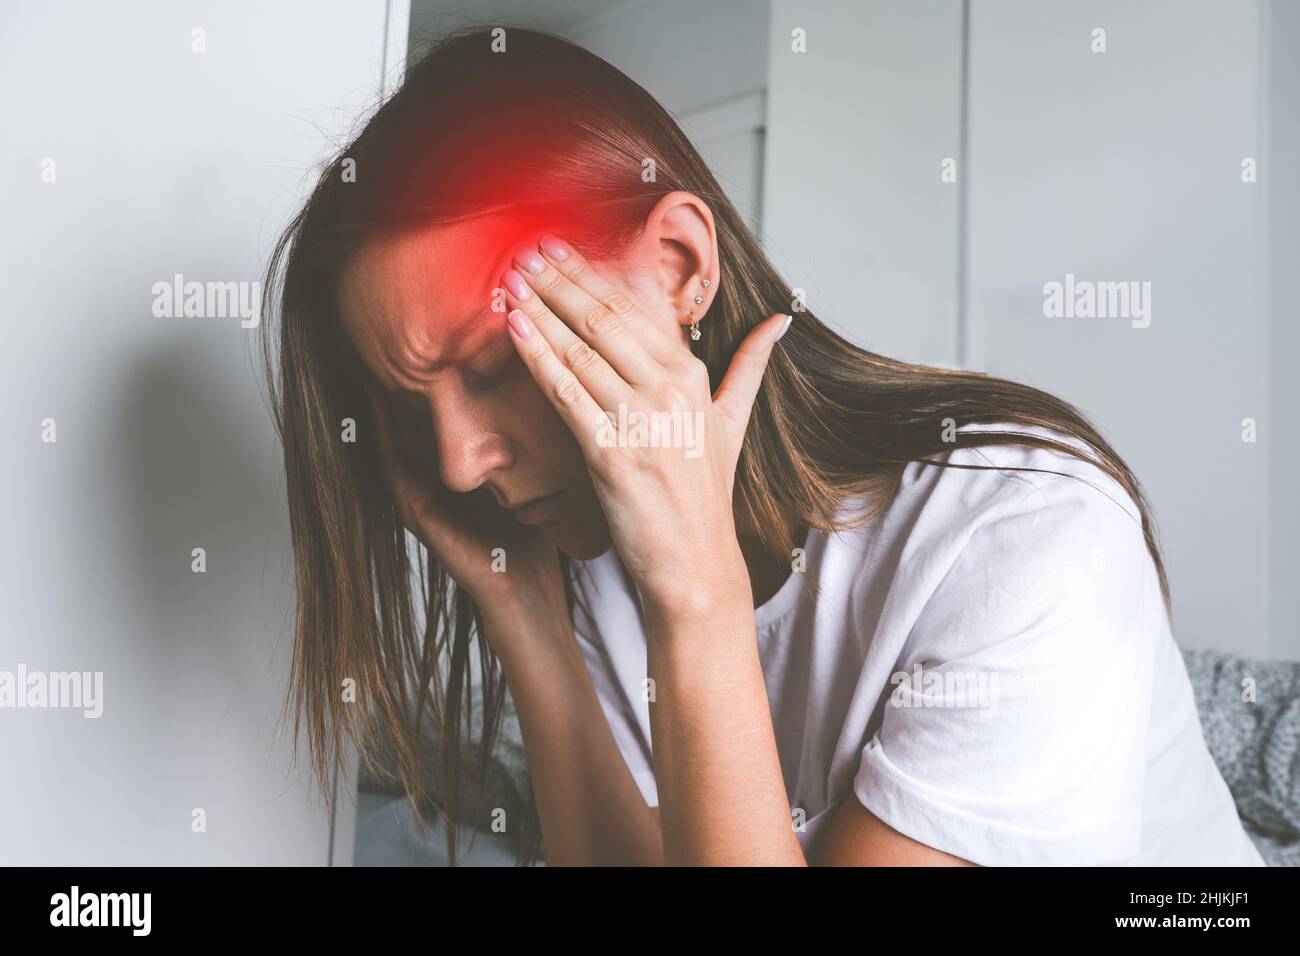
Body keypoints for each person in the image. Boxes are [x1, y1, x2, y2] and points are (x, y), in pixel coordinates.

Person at [261, 25, 1264, 866]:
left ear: (678, 268)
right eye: (407, 406)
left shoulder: (1029, 539)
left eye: (491, 363)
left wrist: (695, 593)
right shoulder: (590, 549)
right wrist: (522, 610)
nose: (456, 461)